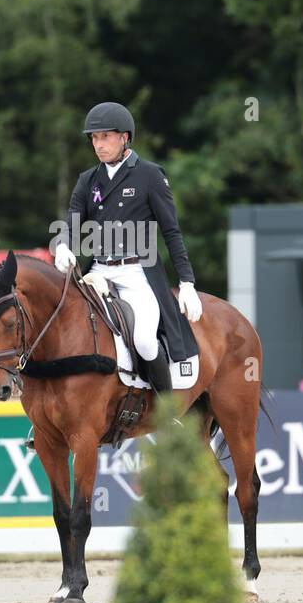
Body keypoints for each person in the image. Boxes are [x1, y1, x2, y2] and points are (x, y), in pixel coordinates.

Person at [53, 101, 200, 393]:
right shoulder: (87, 180)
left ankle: (165, 410)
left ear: (125, 137)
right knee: (63, 326)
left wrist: (187, 282)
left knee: (144, 340)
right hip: (99, 272)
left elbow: (171, 231)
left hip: (137, 272)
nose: (99, 144)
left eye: (106, 136)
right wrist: (61, 245)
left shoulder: (149, 175)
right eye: (94, 138)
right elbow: (71, 222)